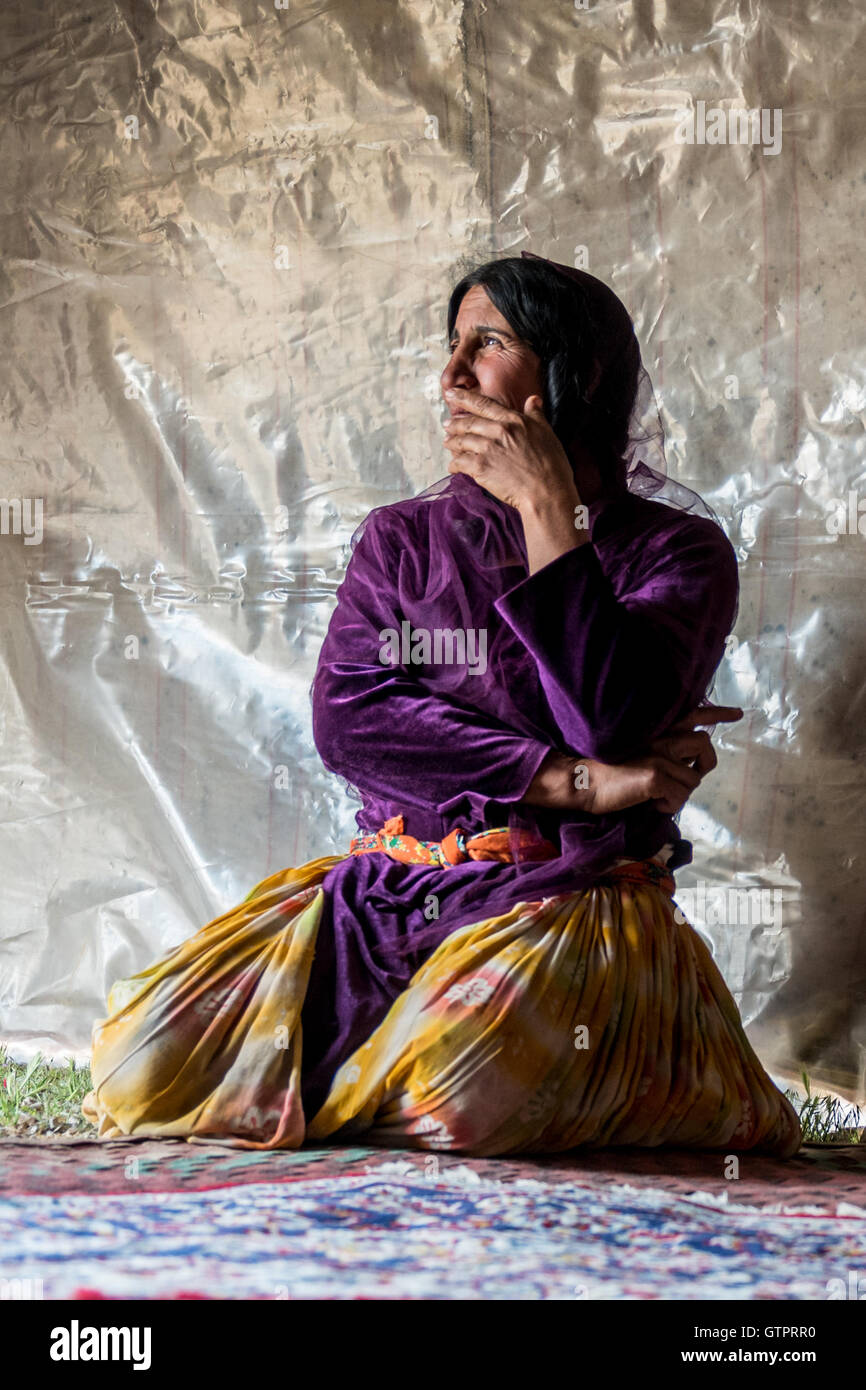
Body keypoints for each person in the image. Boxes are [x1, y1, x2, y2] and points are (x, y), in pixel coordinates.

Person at [82, 252, 801, 1157]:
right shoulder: (400, 541)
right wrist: (576, 784)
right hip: (386, 894)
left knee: (458, 1090)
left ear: (579, 374)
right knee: (141, 1066)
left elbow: (608, 717)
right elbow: (351, 720)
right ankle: (371, 1062)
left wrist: (549, 512)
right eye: (450, 347)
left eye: (487, 343)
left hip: (570, 903)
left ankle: (390, 1083)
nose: (452, 375)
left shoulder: (677, 553)